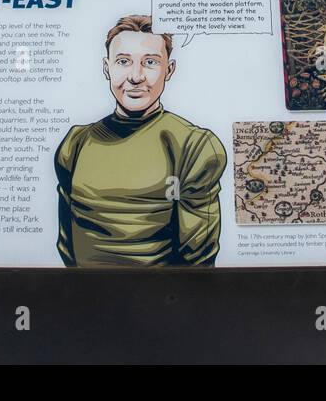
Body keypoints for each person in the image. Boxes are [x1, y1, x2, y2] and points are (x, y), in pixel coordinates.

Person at [54, 14, 227, 267]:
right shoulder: (75, 143)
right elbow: (66, 243)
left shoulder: (194, 146)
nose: (136, 76)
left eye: (150, 62)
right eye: (123, 61)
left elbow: (197, 258)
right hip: (85, 296)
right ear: (107, 68)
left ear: (169, 70)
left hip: (161, 301)